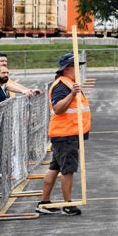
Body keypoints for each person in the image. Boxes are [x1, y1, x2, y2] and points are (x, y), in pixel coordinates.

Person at [36, 53, 90, 216]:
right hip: (66, 134)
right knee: (68, 169)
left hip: (66, 134)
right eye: (76, 66)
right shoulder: (62, 86)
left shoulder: (68, 83)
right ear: (67, 69)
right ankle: (67, 204)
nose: (79, 69)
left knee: (55, 167)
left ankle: (44, 202)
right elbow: (58, 108)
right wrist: (72, 94)